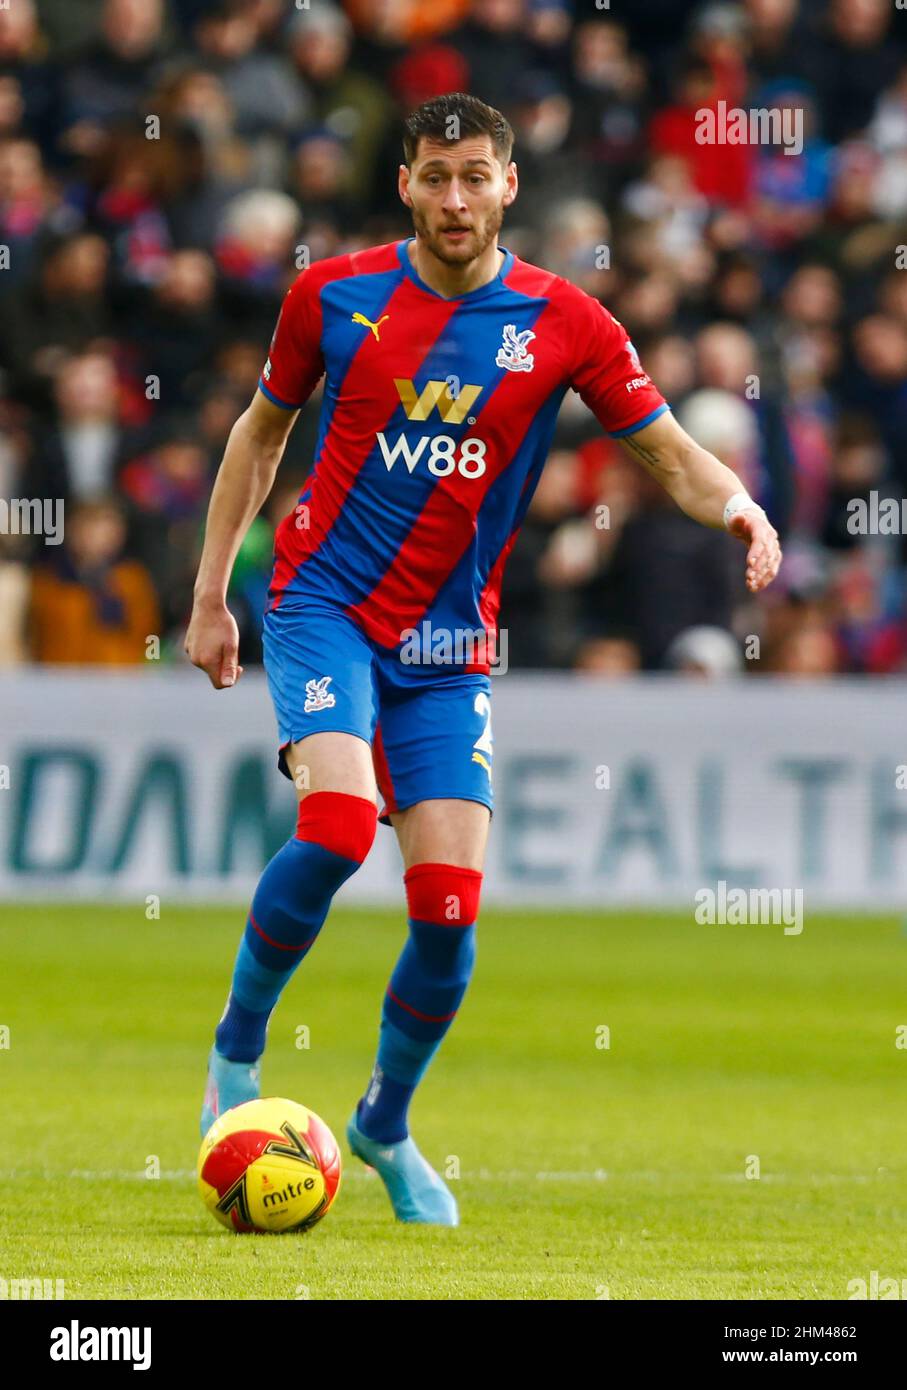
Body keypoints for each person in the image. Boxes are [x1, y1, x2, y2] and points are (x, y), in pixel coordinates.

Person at [185, 92, 782, 1226]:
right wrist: (212, 595)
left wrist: (740, 505)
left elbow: (665, 453)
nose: (453, 199)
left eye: (474, 177)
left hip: (451, 644)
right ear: (404, 184)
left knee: (450, 913)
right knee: (337, 825)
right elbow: (258, 435)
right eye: (433, 177)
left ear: (510, 186)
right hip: (323, 604)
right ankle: (235, 1053)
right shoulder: (333, 295)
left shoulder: (566, 324)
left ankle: (382, 1124)